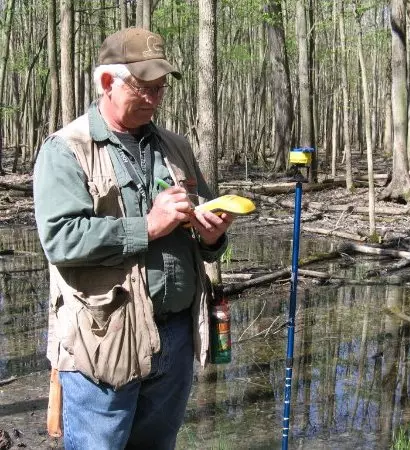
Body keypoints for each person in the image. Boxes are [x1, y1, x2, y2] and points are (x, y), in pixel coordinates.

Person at [33, 27, 233, 450]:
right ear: (107, 82)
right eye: (145, 88)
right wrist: (146, 226)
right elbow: (61, 239)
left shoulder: (175, 147)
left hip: (177, 336)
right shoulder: (66, 149)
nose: (156, 100)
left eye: (161, 89)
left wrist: (213, 238)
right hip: (103, 338)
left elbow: (204, 223)